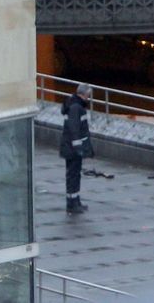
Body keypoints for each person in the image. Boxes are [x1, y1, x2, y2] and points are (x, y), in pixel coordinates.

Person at [60, 83, 95, 214]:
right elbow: (74, 129)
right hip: (73, 149)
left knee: (74, 175)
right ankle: (72, 204)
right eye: (88, 95)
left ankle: (75, 201)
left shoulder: (74, 105)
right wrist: (78, 147)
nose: (88, 98)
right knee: (73, 175)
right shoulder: (76, 107)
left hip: (70, 148)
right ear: (84, 94)